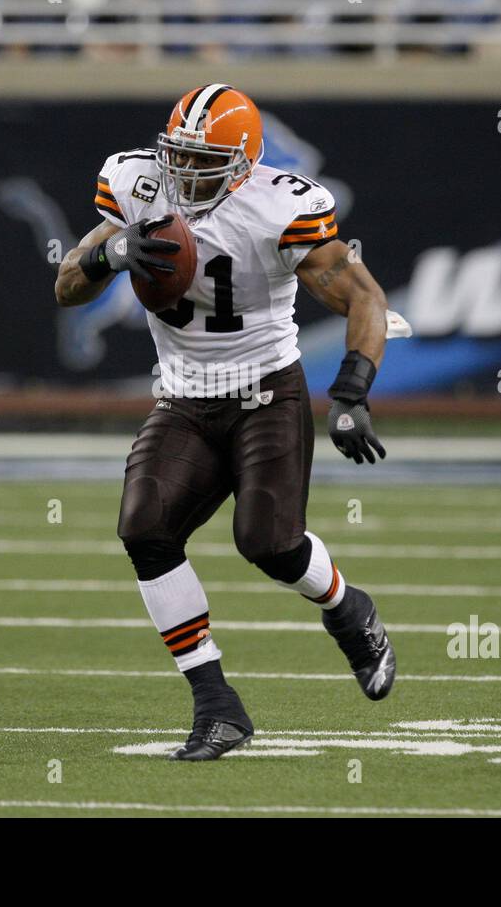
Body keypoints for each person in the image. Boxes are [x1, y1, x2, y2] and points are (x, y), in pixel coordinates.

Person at [53, 84, 397, 761]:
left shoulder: (279, 206)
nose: (184, 174)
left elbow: (364, 295)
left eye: (203, 161)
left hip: (267, 390)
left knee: (269, 544)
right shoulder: (138, 185)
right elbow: (67, 285)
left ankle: (348, 608)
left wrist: (352, 393)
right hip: (182, 396)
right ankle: (216, 704)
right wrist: (109, 254)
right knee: (144, 526)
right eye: (178, 156)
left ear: (242, 163)